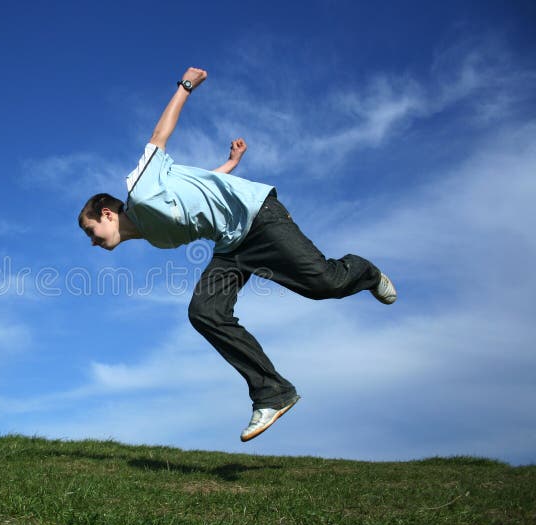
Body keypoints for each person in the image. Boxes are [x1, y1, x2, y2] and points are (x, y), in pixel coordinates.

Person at [78, 67, 396, 442]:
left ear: (107, 213)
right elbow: (199, 188)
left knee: (325, 284)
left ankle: (365, 272)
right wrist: (230, 164)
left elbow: (159, 137)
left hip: (258, 218)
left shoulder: (142, 190)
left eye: (91, 231)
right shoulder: (152, 235)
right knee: (204, 311)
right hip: (231, 245)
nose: (93, 242)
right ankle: (273, 393)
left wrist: (185, 86)